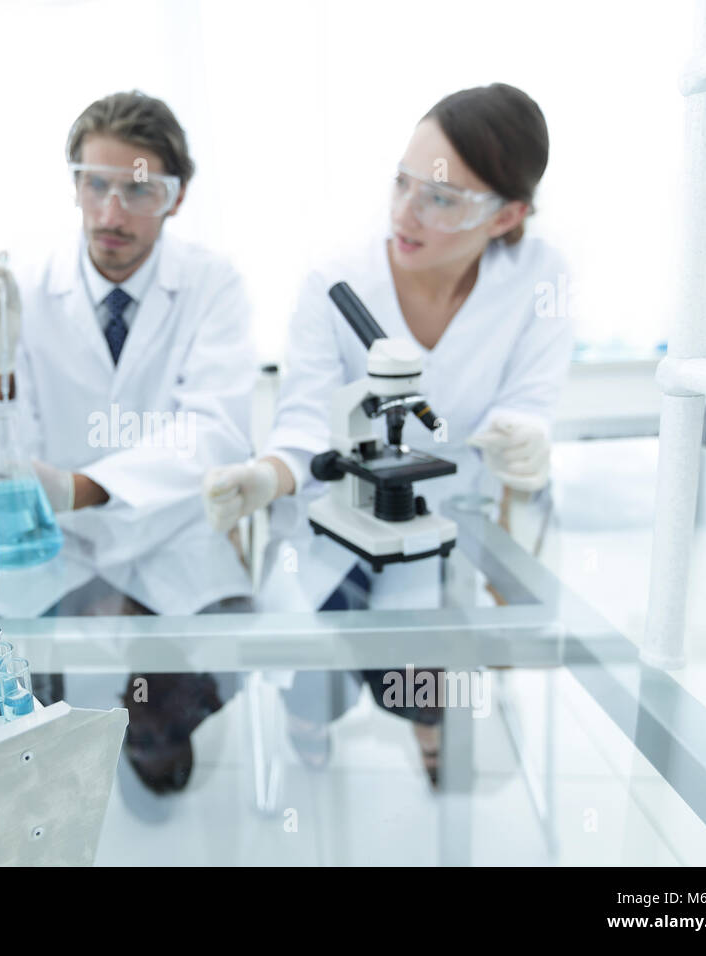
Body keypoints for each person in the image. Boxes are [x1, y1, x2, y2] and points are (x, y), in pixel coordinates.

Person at [202, 83, 575, 782]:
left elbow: (528, 401)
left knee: (424, 679)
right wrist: (265, 476)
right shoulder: (336, 282)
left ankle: (429, 730)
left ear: (507, 216)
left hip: (452, 517)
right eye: (402, 182)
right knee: (316, 662)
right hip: (333, 514)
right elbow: (308, 419)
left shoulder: (541, 279)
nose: (405, 213)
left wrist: (526, 439)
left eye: (441, 198)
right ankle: (311, 717)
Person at [0, 91, 257, 794]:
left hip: (172, 531)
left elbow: (214, 428)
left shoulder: (213, 284)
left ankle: (160, 734)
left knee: (197, 680)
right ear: (75, 184)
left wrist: (84, 486)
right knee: (25, 704)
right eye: (96, 184)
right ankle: (49, 777)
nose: (111, 213)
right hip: (59, 542)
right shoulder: (27, 287)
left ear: (176, 199)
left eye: (139, 189)